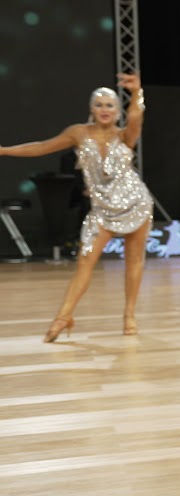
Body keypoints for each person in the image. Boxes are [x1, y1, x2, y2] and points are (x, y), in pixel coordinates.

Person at [0, 73, 153, 340]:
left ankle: (129, 314)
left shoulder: (126, 135)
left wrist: (137, 93)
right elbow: (41, 147)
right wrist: (4, 150)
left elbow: (136, 118)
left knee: (134, 260)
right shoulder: (78, 133)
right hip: (102, 211)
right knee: (85, 261)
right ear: (91, 109)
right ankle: (63, 317)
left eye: (110, 105)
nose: (104, 110)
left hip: (135, 204)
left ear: (118, 111)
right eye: (99, 104)